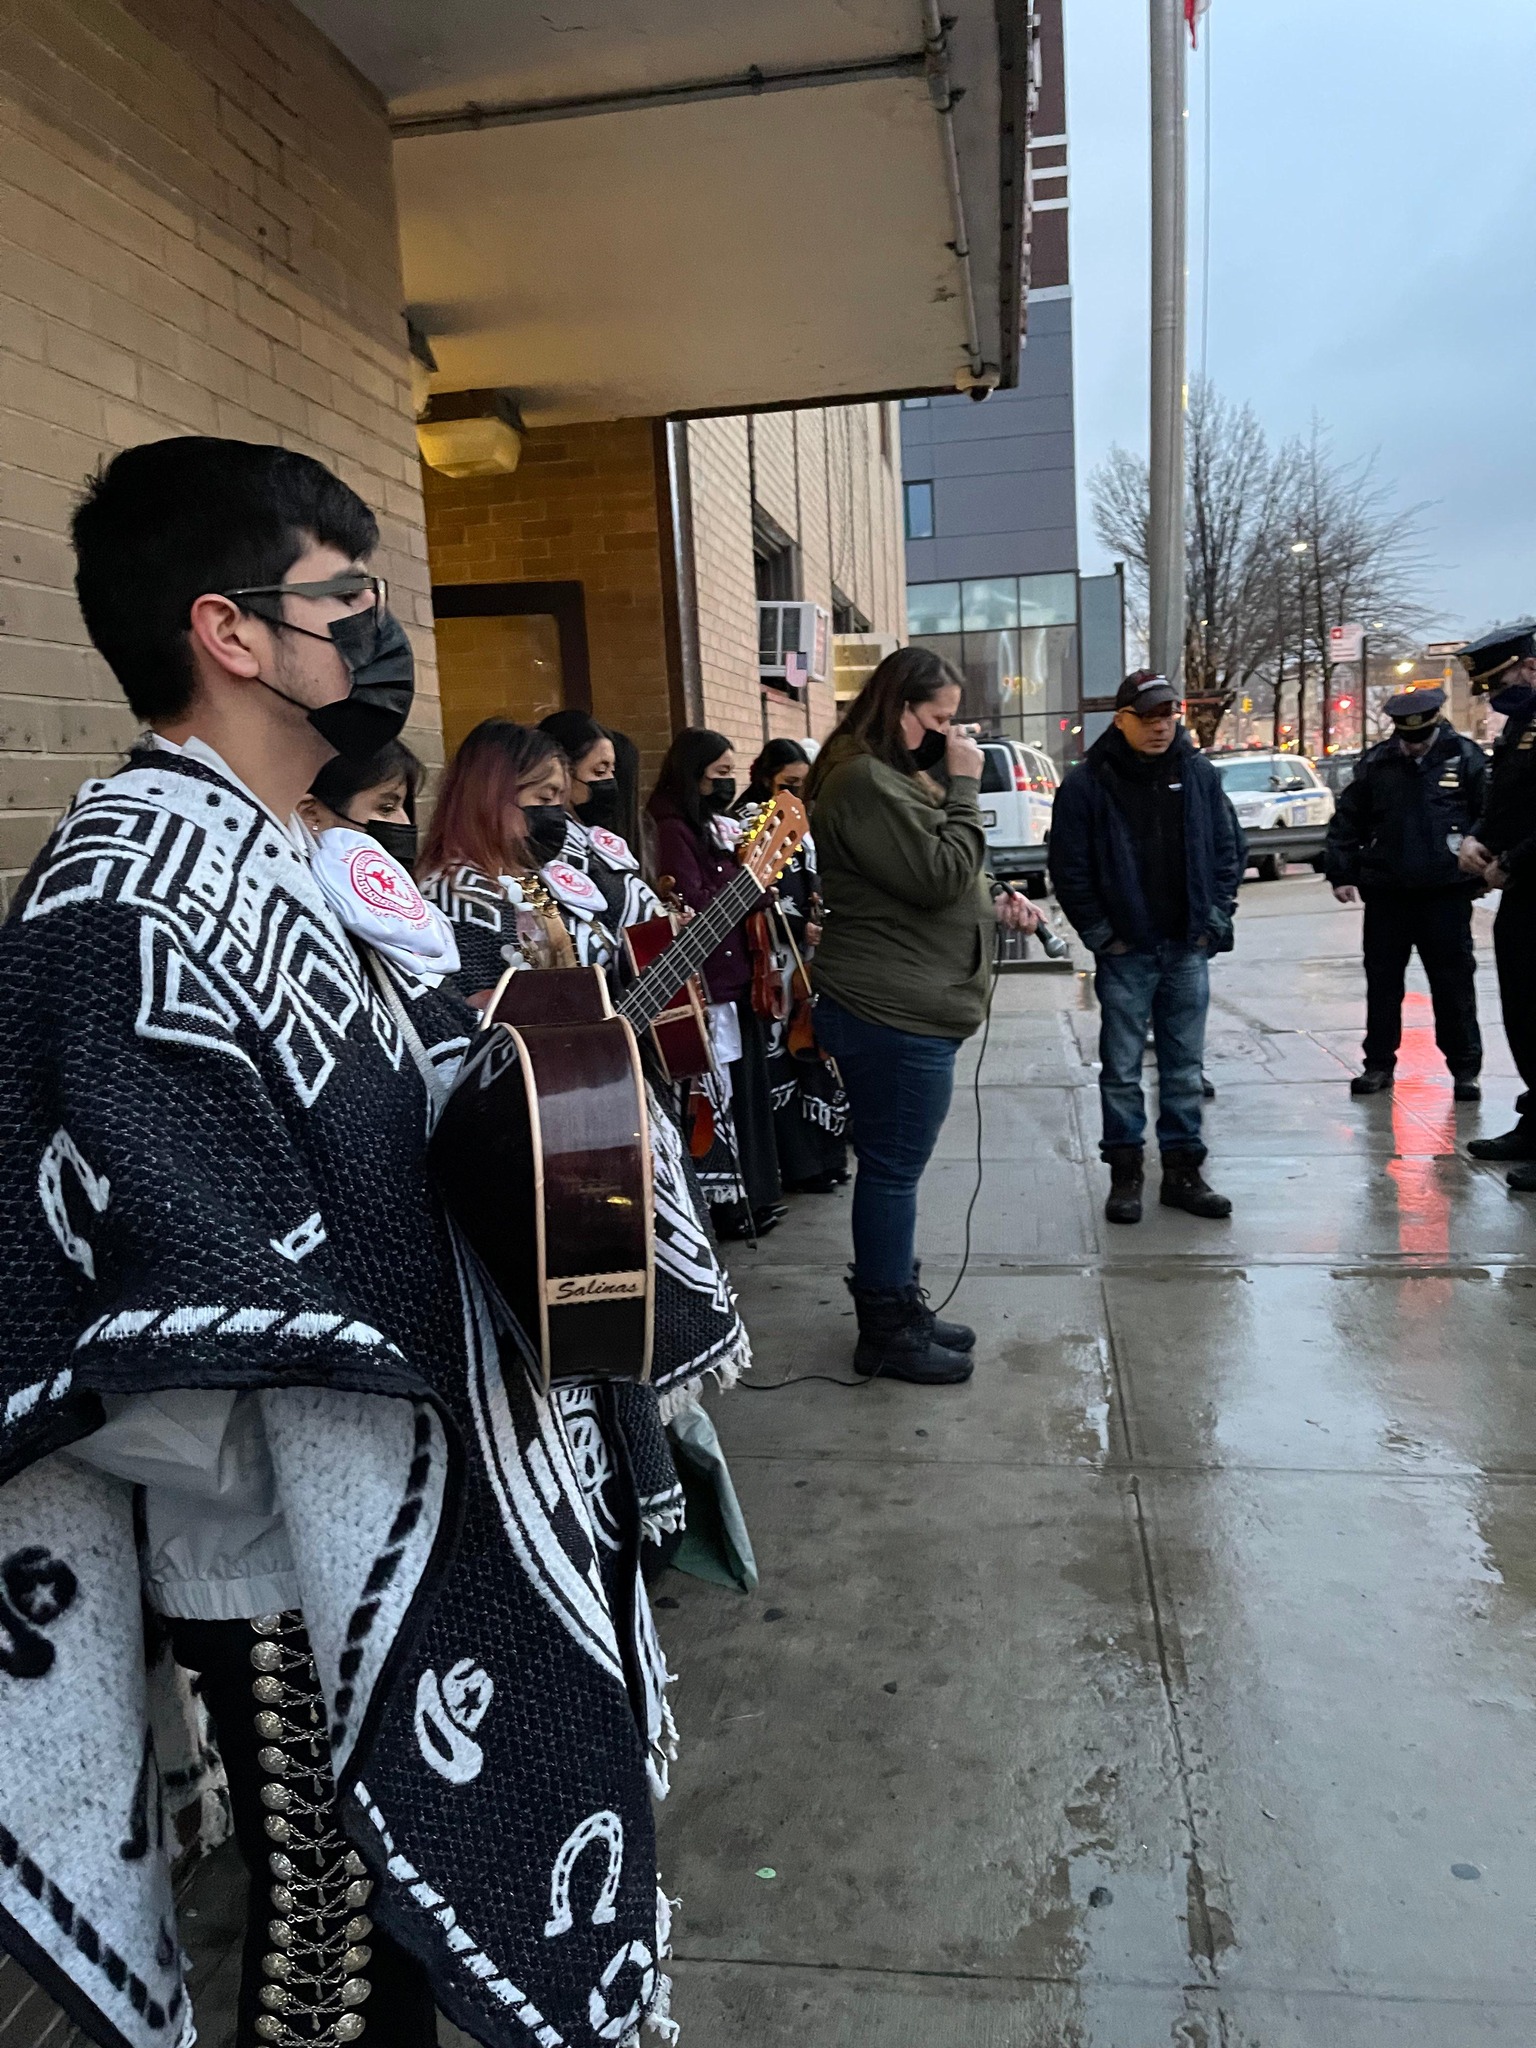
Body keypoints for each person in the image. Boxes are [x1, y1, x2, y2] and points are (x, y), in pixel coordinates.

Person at [0, 439, 671, 2048]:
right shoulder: (117, 900)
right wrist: (347, 1409)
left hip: (436, 1489)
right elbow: (124, 1279)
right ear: (230, 633)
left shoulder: (314, 855)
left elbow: (414, 1122)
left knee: (413, 1961)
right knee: (334, 1969)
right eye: (346, 594)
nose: (378, 628)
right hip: (295, 1547)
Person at [418, 719, 753, 1425]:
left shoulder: (539, 880)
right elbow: (477, 1031)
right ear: (487, 794)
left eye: (559, 796)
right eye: (539, 795)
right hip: (550, 1151)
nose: (556, 812)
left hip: (607, 1117)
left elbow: (601, 990)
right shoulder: (454, 897)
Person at [806, 648, 1039, 1384]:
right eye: (939, 719)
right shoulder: (862, 780)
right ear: (900, 708)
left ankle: (900, 1306)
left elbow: (941, 868)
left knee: (892, 1168)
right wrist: (965, 786)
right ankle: (885, 1330)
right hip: (891, 1009)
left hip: (906, 1002)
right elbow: (938, 876)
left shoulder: (888, 778)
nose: (950, 735)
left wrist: (991, 896)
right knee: (891, 1171)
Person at [1049, 670, 1242, 1226]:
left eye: (1169, 715)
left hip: (1186, 945)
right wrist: (1102, 935)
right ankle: (1126, 1174)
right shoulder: (1089, 784)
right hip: (1127, 951)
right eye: (1149, 716)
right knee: (1122, 1069)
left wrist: (1214, 916)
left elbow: (1228, 849)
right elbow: (1070, 867)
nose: (1161, 727)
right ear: (1121, 719)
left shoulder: (1198, 774)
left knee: (1184, 1070)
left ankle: (1183, 1172)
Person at [648, 729, 786, 1239]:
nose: (728, 783)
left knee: (743, 1088)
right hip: (710, 978)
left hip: (737, 975)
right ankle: (727, 1201)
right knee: (716, 1094)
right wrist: (746, 878)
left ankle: (752, 1191)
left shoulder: (710, 824)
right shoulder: (672, 828)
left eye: (733, 773)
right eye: (719, 774)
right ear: (694, 773)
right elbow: (697, 899)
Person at [1324, 686, 1487, 1100]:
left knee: (1453, 984)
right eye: (1407, 739)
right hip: (1387, 891)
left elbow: (1488, 817)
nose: (1414, 748)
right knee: (1382, 984)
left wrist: (1485, 871)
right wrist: (1341, 872)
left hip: (1444, 892)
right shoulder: (1378, 762)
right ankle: (1378, 1064)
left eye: (1421, 739)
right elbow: (1349, 819)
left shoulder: (1465, 757)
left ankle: (1465, 1069)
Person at [734, 740, 849, 1194]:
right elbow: (758, 890)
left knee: (812, 1051)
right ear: (766, 778)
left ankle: (824, 1156)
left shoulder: (805, 816)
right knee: (782, 1056)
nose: (798, 792)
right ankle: (800, 1164)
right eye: (789, 784)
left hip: (805, 954)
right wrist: (799, 927)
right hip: (774, 954)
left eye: (804, 784)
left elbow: (811, 876)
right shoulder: (749, 821)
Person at [1457, 623, 1536, 1184]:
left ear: (1529, 665)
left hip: (1531, 877)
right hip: (1523, 892)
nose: (1492, 696)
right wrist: (1477, 839)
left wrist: (1515, 861)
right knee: (1526, 1013)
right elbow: (1506, 798)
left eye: (1498, 681)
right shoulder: (1523, 725)